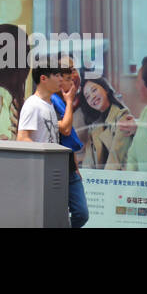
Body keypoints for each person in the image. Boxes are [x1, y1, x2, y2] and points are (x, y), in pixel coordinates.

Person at [52, 57, 88, 227]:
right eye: (68, 72)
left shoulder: (72, 99)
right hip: (54, 169)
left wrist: (75, 165)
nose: (72, 75)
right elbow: (65, 130)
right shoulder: (51, 101)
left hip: (70, 169)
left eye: (74, 69)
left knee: (82, 213)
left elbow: (69, 139)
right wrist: (68, 101)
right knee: (57, 213)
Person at [75, 74, 133, 170]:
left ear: (105, 89)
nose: (92, 97)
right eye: (87, 97)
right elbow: (88, 163)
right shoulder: (95, 126)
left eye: (94, 90)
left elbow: (115, 161)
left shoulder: (122, 116)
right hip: (102, 180)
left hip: (120, 179)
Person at [17, 61, 65, 144]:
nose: (61, 79)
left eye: (61, 75)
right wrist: (43, 154)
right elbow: (22, 138)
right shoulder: (32, 104)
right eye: (57, 75)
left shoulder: (49, 104)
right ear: (43, 78)